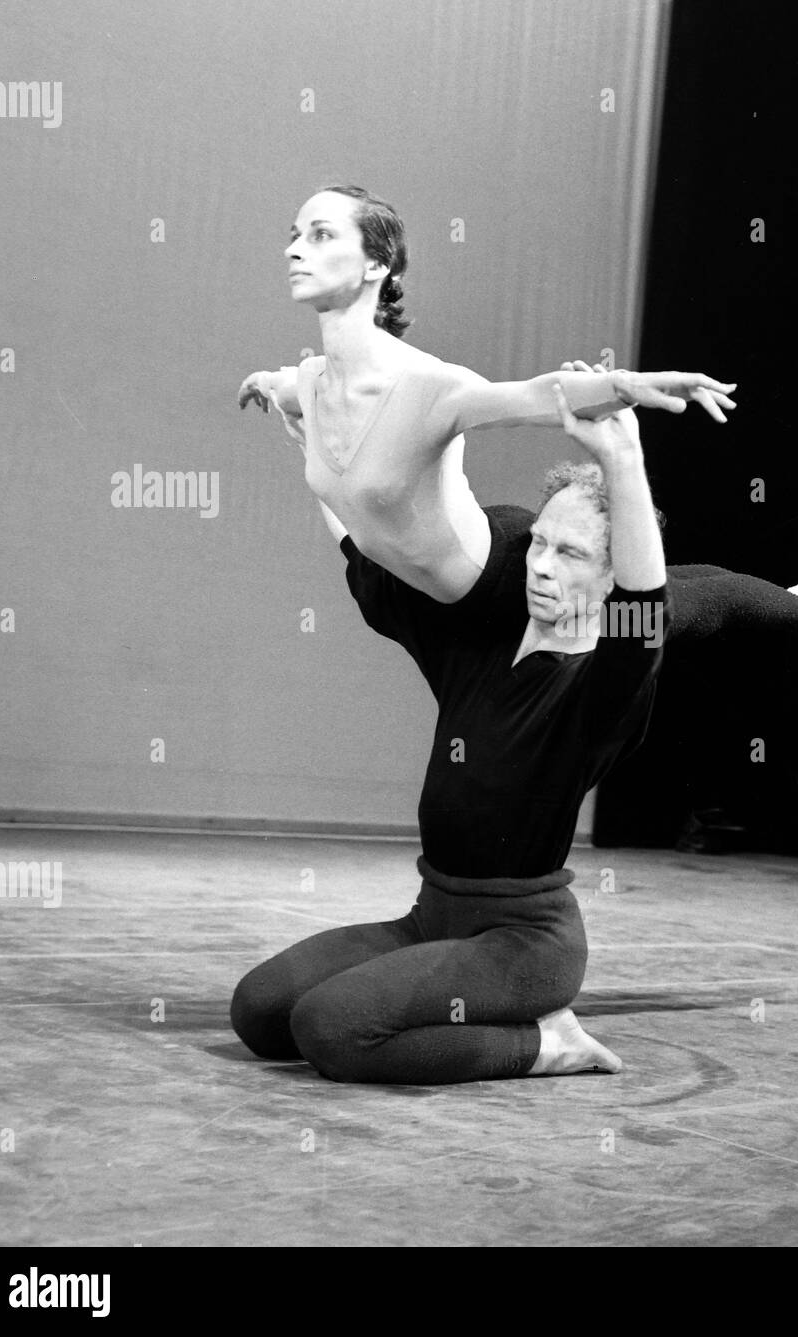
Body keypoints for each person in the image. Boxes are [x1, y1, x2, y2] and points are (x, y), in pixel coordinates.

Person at [231, 387, 670, 1082]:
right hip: (432, 919)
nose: (542, 564)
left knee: (332, 1028)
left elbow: (647, 614)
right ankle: (478, 1010)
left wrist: (624, 458)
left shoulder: (598, 691)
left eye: (572, 553)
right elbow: (369, 550)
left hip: (525, 943)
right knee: (259, 1011)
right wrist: (319, 452)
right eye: (539, 543)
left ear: (610, 574)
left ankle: (544, 1044)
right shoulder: (480, 645)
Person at [235, 185, 798, 649]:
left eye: (320, 235)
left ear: (377, 263)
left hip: (502, 585)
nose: (296, 249)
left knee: (670, 608)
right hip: (405, 600)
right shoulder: (311, 381)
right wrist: (264, 384)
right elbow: (288, 385)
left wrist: (622, 383)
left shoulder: (429, 385)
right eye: (294, 235)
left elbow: (536, 398)